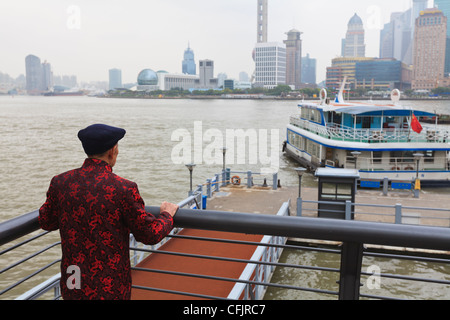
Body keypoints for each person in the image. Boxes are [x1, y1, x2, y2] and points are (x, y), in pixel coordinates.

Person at [39, 124, 178, 300]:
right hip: (109, 285)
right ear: (112, 151)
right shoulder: (124, 188)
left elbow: (46, 221)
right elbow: (149, 234)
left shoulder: (60, 182)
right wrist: (167, 214)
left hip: (73, 279)